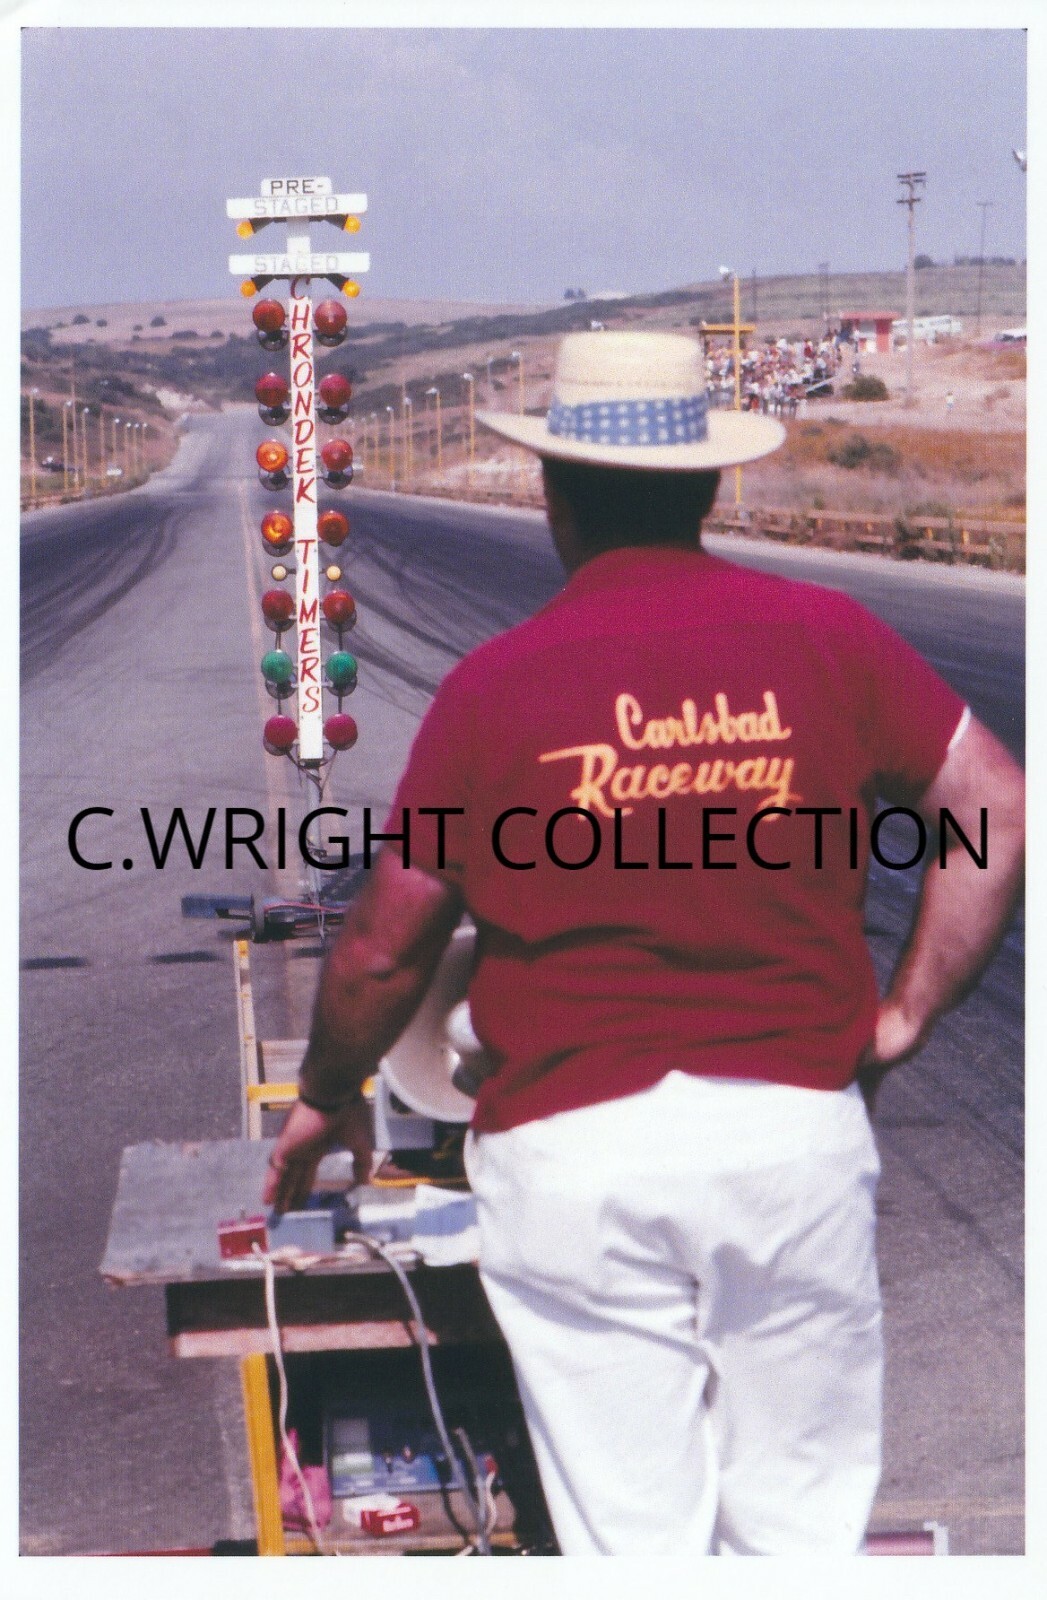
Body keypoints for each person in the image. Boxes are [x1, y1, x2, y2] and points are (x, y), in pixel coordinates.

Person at [264, 331, 1024, 1555]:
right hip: (792, 1142)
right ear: (709, 485)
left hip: (577, 1157)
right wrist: (906, 1014)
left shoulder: (497, 690)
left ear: (553, 492)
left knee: (635, 1545)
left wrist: (324, 1095)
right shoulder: (827, 638)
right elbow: (993, 801)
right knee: (799, 1534)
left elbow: (380, 950)